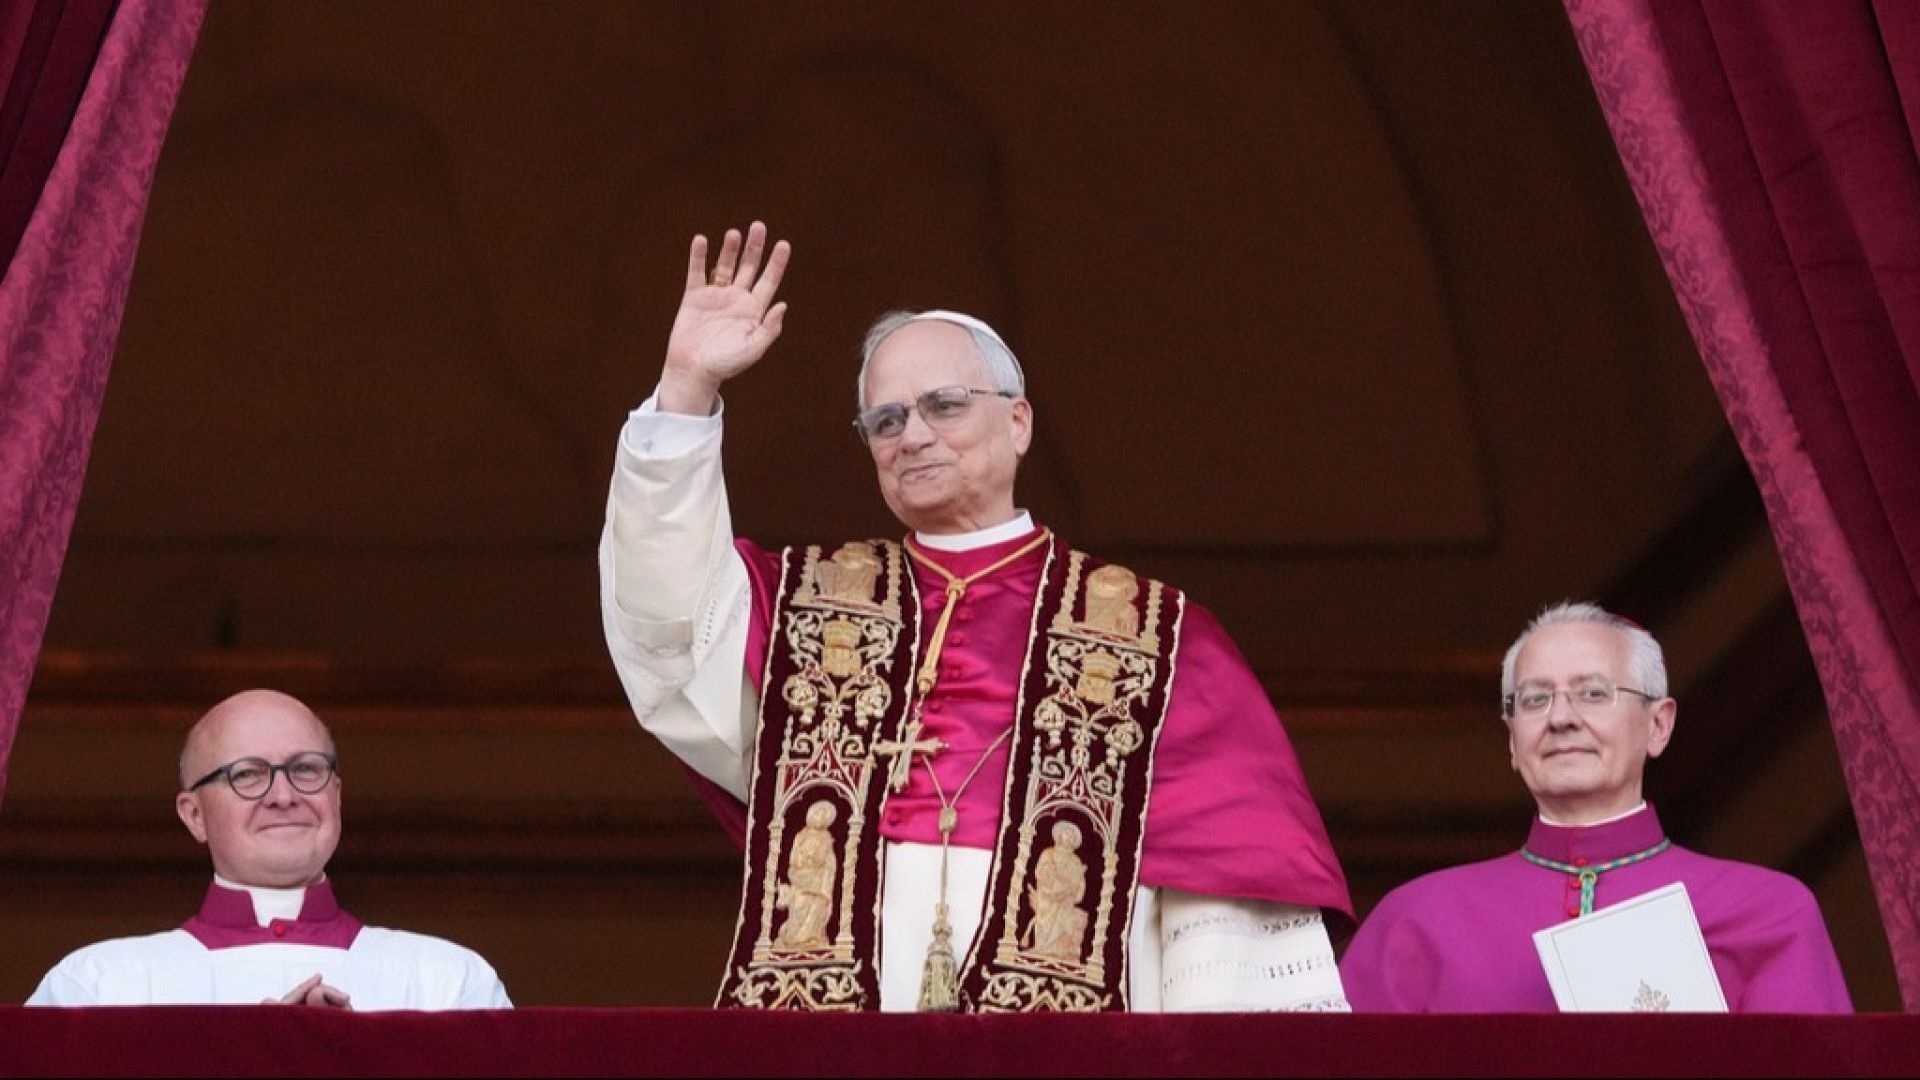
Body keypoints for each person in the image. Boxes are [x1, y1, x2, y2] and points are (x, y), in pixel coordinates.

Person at [599, 221, 1352, 1012]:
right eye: (886, 420)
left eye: (945, 405)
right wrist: (686, 390)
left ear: (1018, 422)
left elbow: (1225, 917)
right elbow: (669, 621)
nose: (913, 435)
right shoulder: (809, 611)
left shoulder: (1159, 639)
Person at [1339, 602, 1852, 1013]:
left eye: (1592, 693)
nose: (1561, 718)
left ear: (1658, 725)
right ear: (1512, 740)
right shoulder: (1416, 921)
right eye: (1535, 699)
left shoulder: (1768, 913)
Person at [27, 689, 510, 1010]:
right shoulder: (98, 987)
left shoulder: (448, 983)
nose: (283, 795)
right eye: (247, 774)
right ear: (194, 815)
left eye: (306, 769)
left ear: (336, 796)